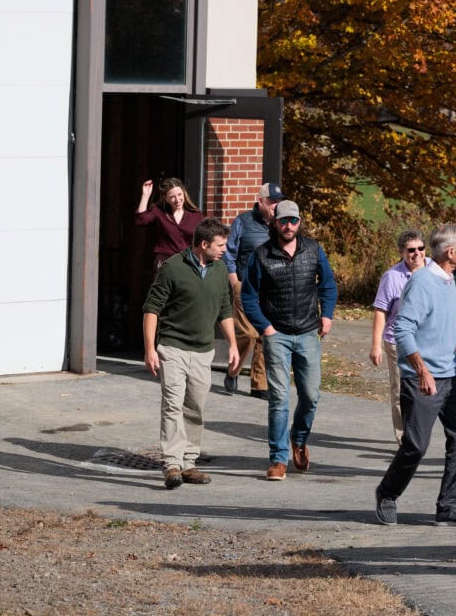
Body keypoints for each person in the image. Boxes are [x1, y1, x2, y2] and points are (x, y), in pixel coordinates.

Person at [374, 224, 456, 527]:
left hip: (450, 375)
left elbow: (448, 327)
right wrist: (422, 370)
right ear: (450, 252)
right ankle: (387, 493)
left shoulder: (448, 280)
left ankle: (449, 505)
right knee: (416, 445)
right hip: (422, 379)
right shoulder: (422, 283)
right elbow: (403, 330)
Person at [142, 218, 241, 490]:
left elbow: (224, 310)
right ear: (203, 244)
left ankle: (188, 463)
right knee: (173, 405)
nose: (224, 250)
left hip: (203, 352)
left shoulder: (220, 270)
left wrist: (232, 344)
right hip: (172, 347)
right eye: (220, 245)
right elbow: (152, 309)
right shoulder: (173, 267)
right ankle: (172, 464)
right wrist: (150, 349)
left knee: (195, 407)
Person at [241, 200, 337, 480]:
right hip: (277, 334)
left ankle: (299, 438)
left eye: (293, 221)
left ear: (300, 222)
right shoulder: (262, 255)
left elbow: (328, 284)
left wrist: (327, 315)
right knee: (279, 398)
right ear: (275, 222)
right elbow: (248, 295)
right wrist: (265, 328)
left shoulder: (313, 250)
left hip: (308, 332)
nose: (288, 226)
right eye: (283, 221)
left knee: (310, 395)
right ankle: (278, 459)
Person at [225, 183, 286, 399]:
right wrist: (234, 282)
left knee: (265, 335)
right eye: (272, 202)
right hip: (245, 286)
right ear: (260, 201)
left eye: (278, 201)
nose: (275, 206)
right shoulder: (243, 221)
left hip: (270, 289)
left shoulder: (280, 225)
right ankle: (233, 371)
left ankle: (259, 384)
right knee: (248, 334)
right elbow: (229, 253)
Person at [370, 230, 431, 444]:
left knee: (428, 390)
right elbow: (380, 311)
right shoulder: (392, 277)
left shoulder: (435, 270)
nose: (417, 254)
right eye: (411, 250)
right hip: (397, 342)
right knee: (400, 391)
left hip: (428, 340)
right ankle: (404, 437)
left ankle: (419, 431)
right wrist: (376, 345)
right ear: (402, 252)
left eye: (420, 248)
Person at [135, 177, 203, 270]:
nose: (177, 199)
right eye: (172, 197)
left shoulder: (196, 215)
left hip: (188, 263)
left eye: (179, 194)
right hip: (165, 263)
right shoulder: (159, 212)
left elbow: (204, 239)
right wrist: (145, 195)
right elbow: (141, 220)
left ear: (184, 193)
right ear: (165, 198)